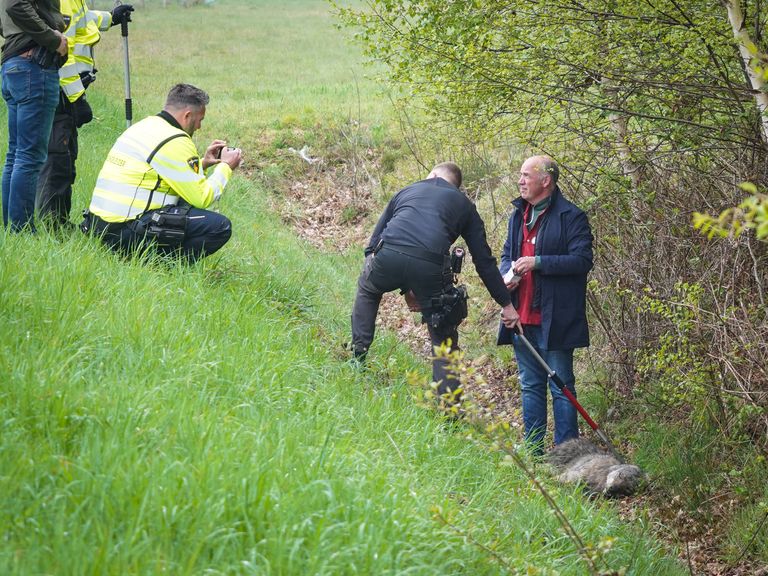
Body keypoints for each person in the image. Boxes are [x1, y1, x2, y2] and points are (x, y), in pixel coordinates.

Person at [351, 162, 520, 403]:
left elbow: (372, 245)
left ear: (431, 175)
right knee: (443, 328)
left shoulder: (407, 190)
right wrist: (506, 303)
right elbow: (484, 262)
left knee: (368, 288)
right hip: (429, 266)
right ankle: (449, 407)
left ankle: (357, 355)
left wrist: (389, 273)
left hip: (388, 254)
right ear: (456, 186)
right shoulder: (464, 205)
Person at [80, 83, 243, 262]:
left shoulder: (144, 126)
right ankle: (163, 265)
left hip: (98, 226)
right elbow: (202, 197)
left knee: (182, 202)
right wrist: (226, 166)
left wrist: (202, 164)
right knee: (220, 226)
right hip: (124, 232)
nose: (199, 127)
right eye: (200, 120)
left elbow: (163, 173)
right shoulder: (176, 140)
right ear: (188, 116)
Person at [497, 155, 594, 453]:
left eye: (526, 175)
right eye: (520, 174)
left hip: (556, 319)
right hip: (520, 317)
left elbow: (582, 261)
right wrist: (506, 276)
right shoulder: (518, 214)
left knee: (562, 387)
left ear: (546, 180)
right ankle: (534, 452)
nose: (520, 180)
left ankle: (568, 456)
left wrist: (538, 262)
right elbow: (506, 254)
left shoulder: (572, 217)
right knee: (530, 386)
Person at [35, 1, 134, 227]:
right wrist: (77, 97)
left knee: (66, 155)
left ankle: (59, 219)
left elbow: (84, 19)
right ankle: (52, 224)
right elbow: (64, 53)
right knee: (57, 158)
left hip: (69, 89)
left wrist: (111, 17)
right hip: (63, 91)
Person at [0, 0, 67, 232]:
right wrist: (53, 39)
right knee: (29, 156)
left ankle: (12, 227)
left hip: (14, 63)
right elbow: (15, 5)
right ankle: (22, 230)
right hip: (34, 65)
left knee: (16, 154)